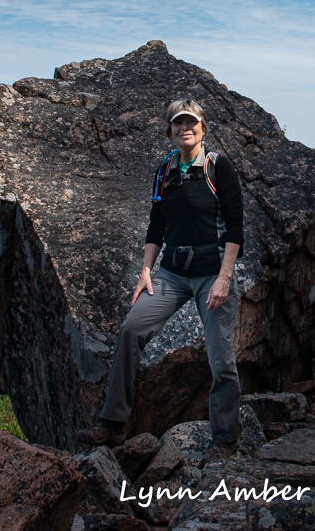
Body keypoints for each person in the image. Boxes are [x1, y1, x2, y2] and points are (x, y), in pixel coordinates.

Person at [75, 98, 244, 464]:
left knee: (221, 359)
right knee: (131, 329)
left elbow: (235, 227)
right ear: (170, 130)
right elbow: (156, 225)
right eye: (178, 123)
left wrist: (224, 279)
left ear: (203, 127)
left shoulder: (218, 167)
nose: (186, 128)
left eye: (192, 122)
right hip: (171, 272)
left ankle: (225, 438)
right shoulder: (165, 169)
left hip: (212, 273)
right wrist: (146, 270)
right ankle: (113, 421)